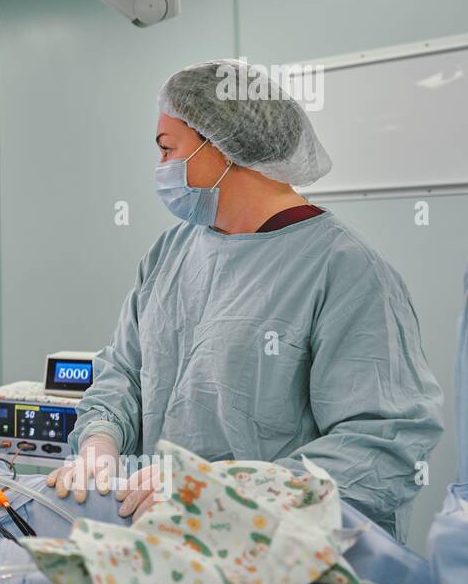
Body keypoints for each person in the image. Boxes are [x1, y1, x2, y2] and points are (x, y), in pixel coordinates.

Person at [48, 59, 442, 542]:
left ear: (225, 146)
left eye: (168, 150)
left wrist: (227, 493)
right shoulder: (172, 253)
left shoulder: (346, 270)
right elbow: (126, 372)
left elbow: (382, 445)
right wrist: (100, 443)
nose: (162, 168)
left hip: (289, 561)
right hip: (169, 546)